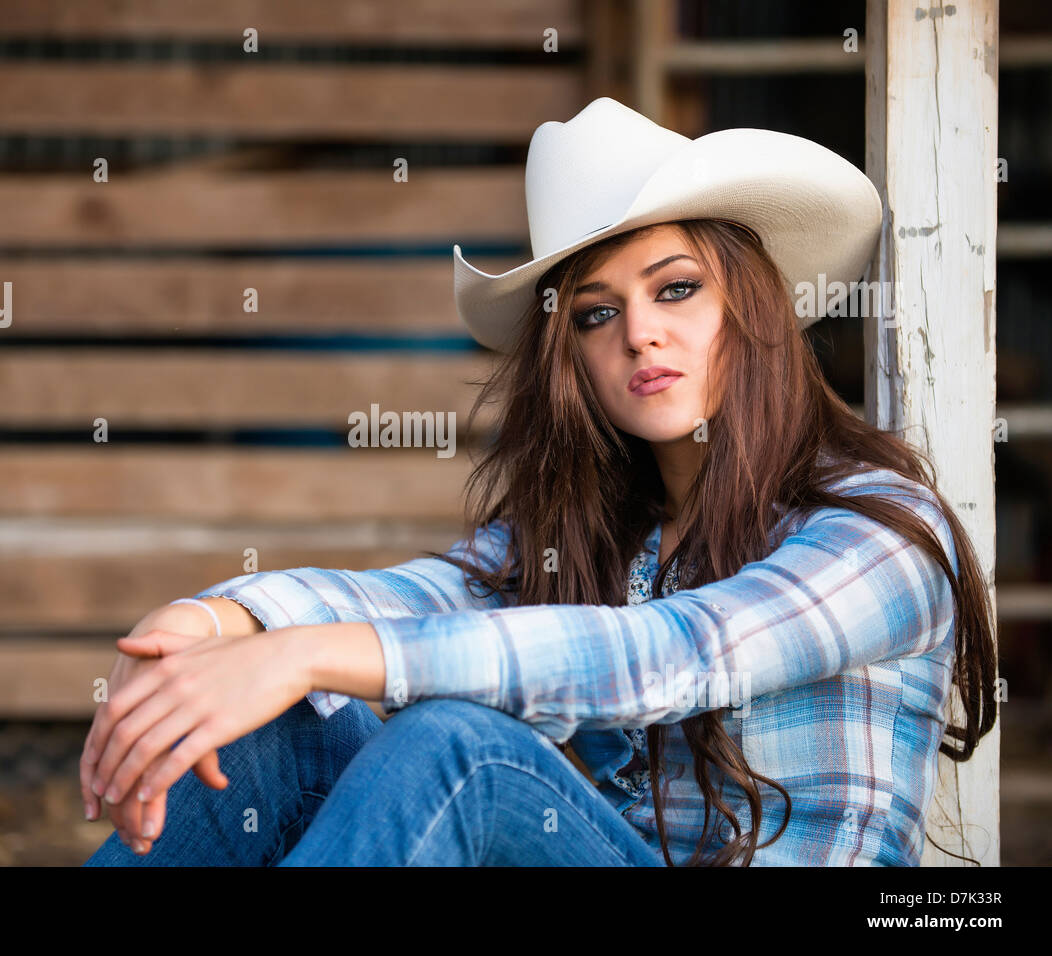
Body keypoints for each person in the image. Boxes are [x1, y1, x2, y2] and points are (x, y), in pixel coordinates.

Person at [80, 97, 997, 866]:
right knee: (271, 741)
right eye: (598, 313)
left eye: (676, 290)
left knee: (460, 753)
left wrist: (301, 654)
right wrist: (214, 622)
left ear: (750, 305)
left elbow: (673, 654)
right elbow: (426, 594)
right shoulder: (607, 533)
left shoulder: (877, 528)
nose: (639, 334)